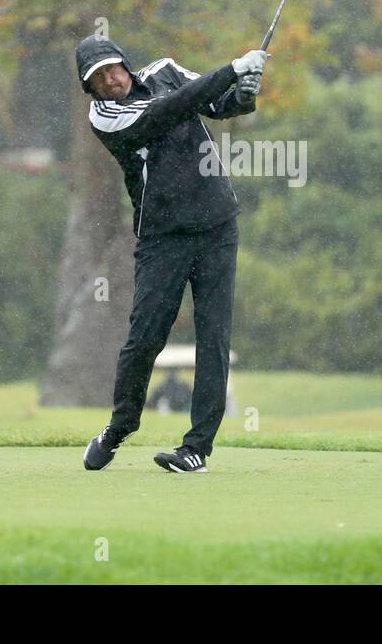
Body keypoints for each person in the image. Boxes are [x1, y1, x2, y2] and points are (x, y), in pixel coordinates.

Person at [77, 35, 265, 472]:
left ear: (124, 63)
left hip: (218, 224)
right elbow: (170, 110)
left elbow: (217, 103)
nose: (110, 80)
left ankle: (197, 447)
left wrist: (243, 92)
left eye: (112, 68)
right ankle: (120, 427)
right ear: (92, 89)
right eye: (98, 78)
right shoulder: (106, 118)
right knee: (146, 337)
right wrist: (233, 69)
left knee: (214, 336)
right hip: (163, 238)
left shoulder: (165, 70)